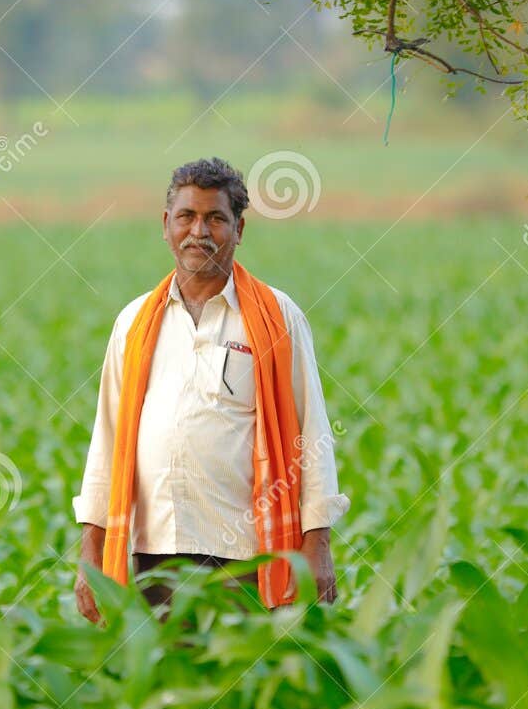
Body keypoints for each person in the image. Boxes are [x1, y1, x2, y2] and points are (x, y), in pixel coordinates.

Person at [71, 157, 350, 622]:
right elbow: (108, 441)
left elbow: (312, 434)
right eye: (187, 216)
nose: (199, 231)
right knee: (162, 684)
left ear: (239, 230)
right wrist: (90, 552)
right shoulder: (134, 322)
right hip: (154, 553)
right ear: (166, 225)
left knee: (243, 685)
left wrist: (317, 544)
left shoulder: (277, 318)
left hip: (247, 554)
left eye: (215, 218)